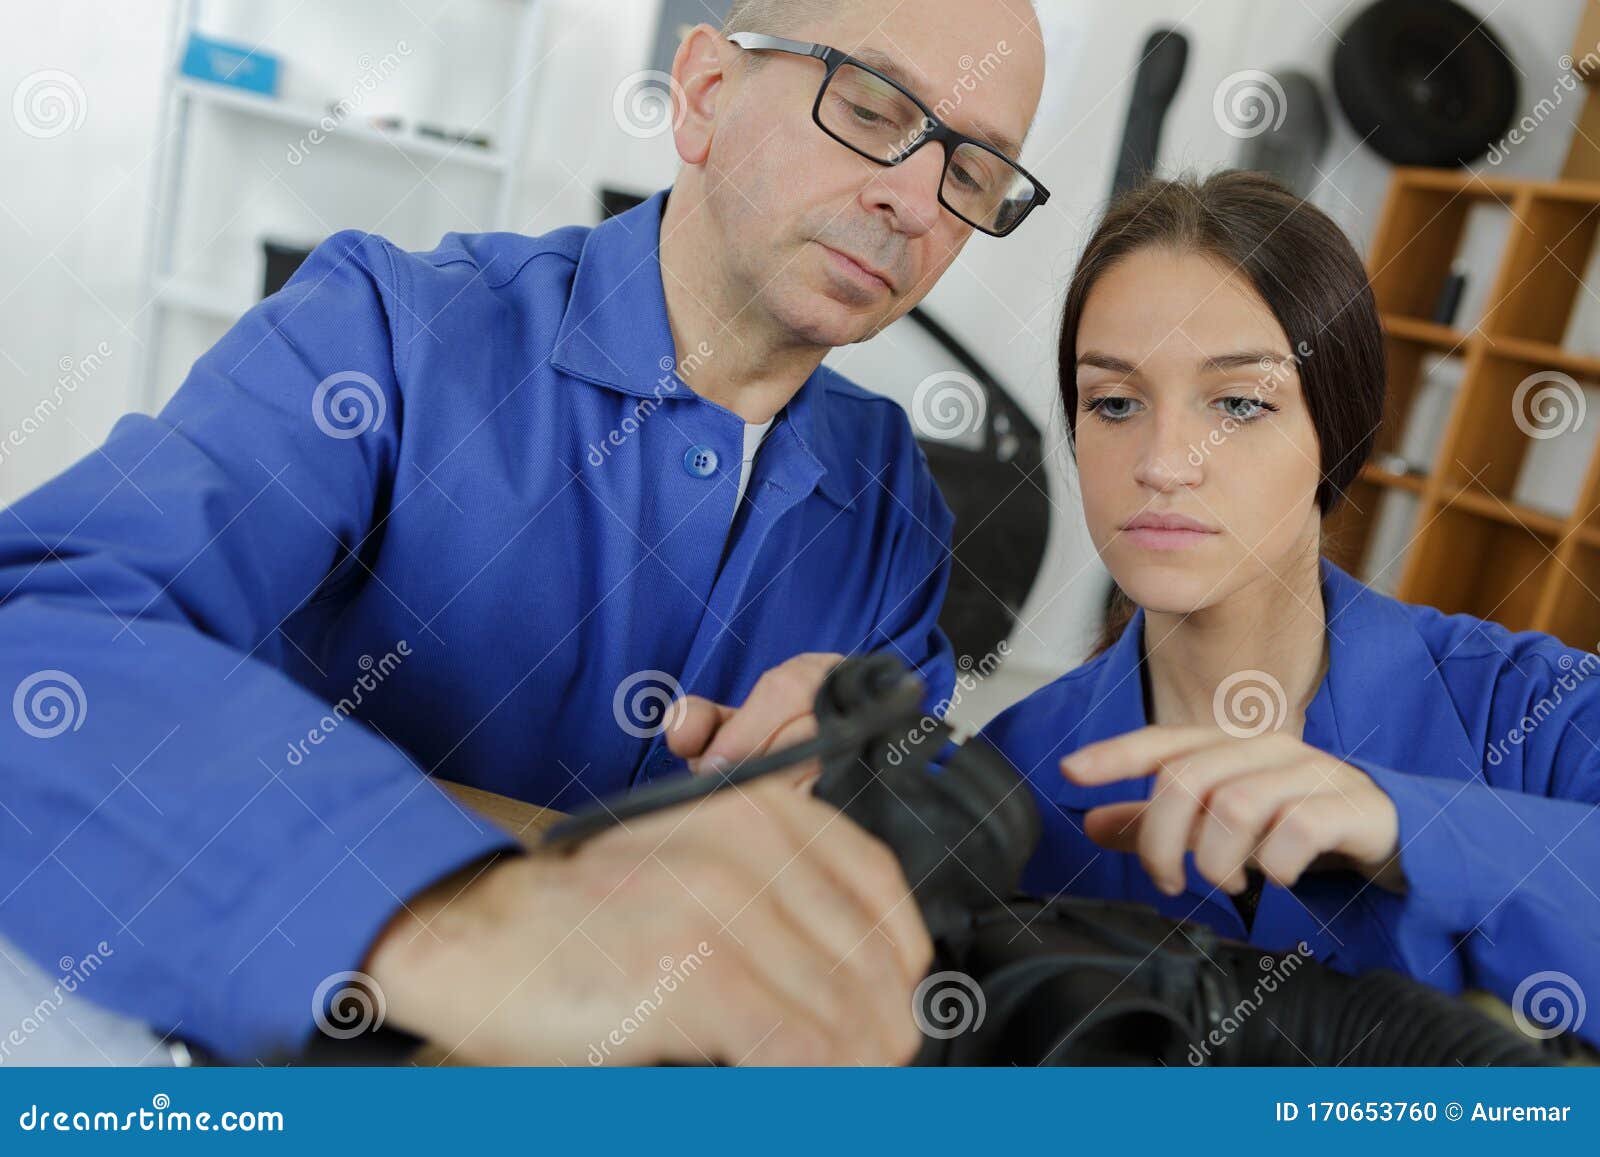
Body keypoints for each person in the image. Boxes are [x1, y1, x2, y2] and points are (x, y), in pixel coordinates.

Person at [0, 0, 1048, 1065]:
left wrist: (864, 782)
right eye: (872, 108)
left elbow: (921, 831)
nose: (915, 198)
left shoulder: (891, 497)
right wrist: (461, 916)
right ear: (705, 93)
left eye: (970, 175)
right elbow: (37, 646)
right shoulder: (389, 333)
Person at [974, 170, 1600, 1047]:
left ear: (1335, 431)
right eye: (1114, 402)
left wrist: (1399, 824)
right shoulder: (1008, 782)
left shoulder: (1539, 711)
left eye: (1238, 403)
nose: (1163, 462)